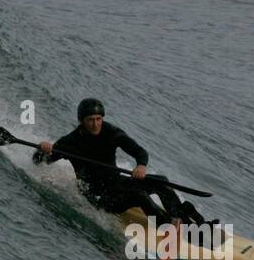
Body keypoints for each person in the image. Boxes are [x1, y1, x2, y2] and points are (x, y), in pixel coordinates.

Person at [33, 98, 216, 231]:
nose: (96, 124)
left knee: (161, 181)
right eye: (90, 120)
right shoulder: (71, 142)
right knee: (140, 196)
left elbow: (139, 151)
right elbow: (39, 161)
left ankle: (179, 217)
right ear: (82, 121)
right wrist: (44, 150)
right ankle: (167, 229)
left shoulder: (111, 132)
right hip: (97, 195)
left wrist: (141, 166)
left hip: (116, 183)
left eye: (98, 119)